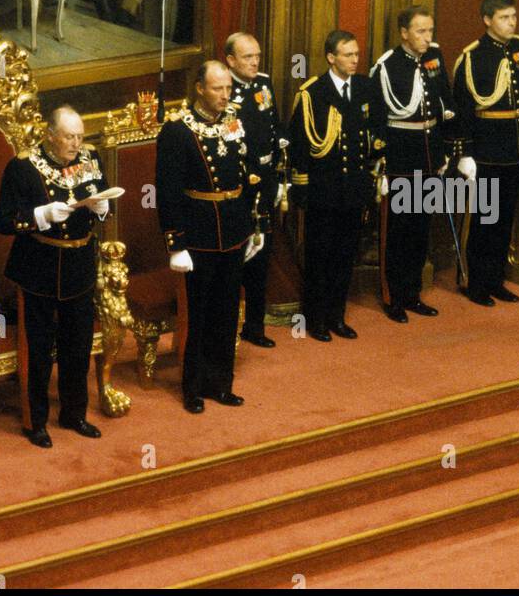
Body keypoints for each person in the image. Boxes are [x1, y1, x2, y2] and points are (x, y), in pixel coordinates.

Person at [0, 106, 109, 447]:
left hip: (81, 266)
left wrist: (103, 208)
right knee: (39, 351)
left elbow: (101, 193)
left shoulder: (90, 157)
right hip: (38, 268)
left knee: (78, 347)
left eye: (79, 136)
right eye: (69, 137)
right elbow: (2, 221)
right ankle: (35, 421)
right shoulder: (22, 167)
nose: (76, 144)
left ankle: (74, 414)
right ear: (50, 135)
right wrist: (39, 215)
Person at [156, 61, 262, 413]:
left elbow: (245, 176)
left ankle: (221, 383)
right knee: (197, 315)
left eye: (228, 89)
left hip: (232, 229)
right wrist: (176, 243)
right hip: (198, 233)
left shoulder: (234, 120)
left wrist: (254, 226)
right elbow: (168, 190)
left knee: (227, 312)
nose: (225, 95)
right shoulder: (177, 130)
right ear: (199, 88)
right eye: (218, 89)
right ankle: (194, 388)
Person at [288, 31, 385, 342]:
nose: (355, 60)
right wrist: (301, 189)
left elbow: (377, 130)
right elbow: (302, 146)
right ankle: (314, 319)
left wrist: (374, 175)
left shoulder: (365, 87)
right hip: (324, 190)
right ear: (331, 57)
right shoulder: (312, 93)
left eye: (357, 54)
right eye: (348, 54)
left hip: (354, 188)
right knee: (319, 257)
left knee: (346, 256)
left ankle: (336, 317)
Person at [452, 0, 519, 307]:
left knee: (505, 218)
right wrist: (465, 153)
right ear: (487, 20)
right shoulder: (473, 56)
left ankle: (495, 279)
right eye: (504, 18)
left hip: (515, 145)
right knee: (486, 218)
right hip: (488, 149)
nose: (512, 23)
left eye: (514, 16)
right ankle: (476, 282)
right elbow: (464, 108)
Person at [370, 7, 457, 324]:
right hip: (402, 159)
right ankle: (393, 296)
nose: (427, 37)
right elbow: (379, 119)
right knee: (399, 231)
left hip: (430, 156)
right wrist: (382, 162)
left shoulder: (435, 56)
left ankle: (412, 293)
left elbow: (445, 102)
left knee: (421, 229)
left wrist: (445, 150)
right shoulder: (387, 66)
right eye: (420, 31)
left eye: (430, 30)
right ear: (404, 33)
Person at [225, 32, 287, 348]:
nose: (254, 62)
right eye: (247, 57)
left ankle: (255, 325)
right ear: (231, 60)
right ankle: (230, 324)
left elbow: (274, 128)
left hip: (265, 180)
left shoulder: (263, 84)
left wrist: (277, 178)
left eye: (257, 56)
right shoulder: (224, 92)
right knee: (238, 257)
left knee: (262, 255)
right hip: (239, 184)